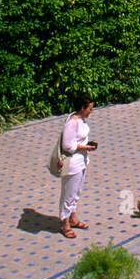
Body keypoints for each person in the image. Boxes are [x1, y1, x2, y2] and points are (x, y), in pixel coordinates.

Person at [59, 94, 97, 239]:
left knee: (76, 192)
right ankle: (65, 224)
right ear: (82, 108)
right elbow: (67, 146)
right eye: (89, 109)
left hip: (81, 161)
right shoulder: (72, 123)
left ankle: (73, 219)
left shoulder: (81, 120)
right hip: (72, 164)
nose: (91, 112)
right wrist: (84, 147)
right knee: (68, 194)